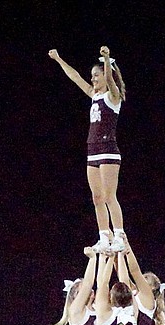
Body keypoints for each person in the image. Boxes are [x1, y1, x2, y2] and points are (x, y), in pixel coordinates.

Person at [49, 46, 127, 253]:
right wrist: (58, 59)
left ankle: (119, 234)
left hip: (108, 149)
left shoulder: (113, 96)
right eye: (91, 76)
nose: (92, 79)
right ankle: (104, 235)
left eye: (96, 75)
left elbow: (111, 80)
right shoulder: (94, 95)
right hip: (92, 150)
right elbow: (75, 77)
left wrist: (107, 58)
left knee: (110, 196)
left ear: (105, 74)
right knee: (97, 197)